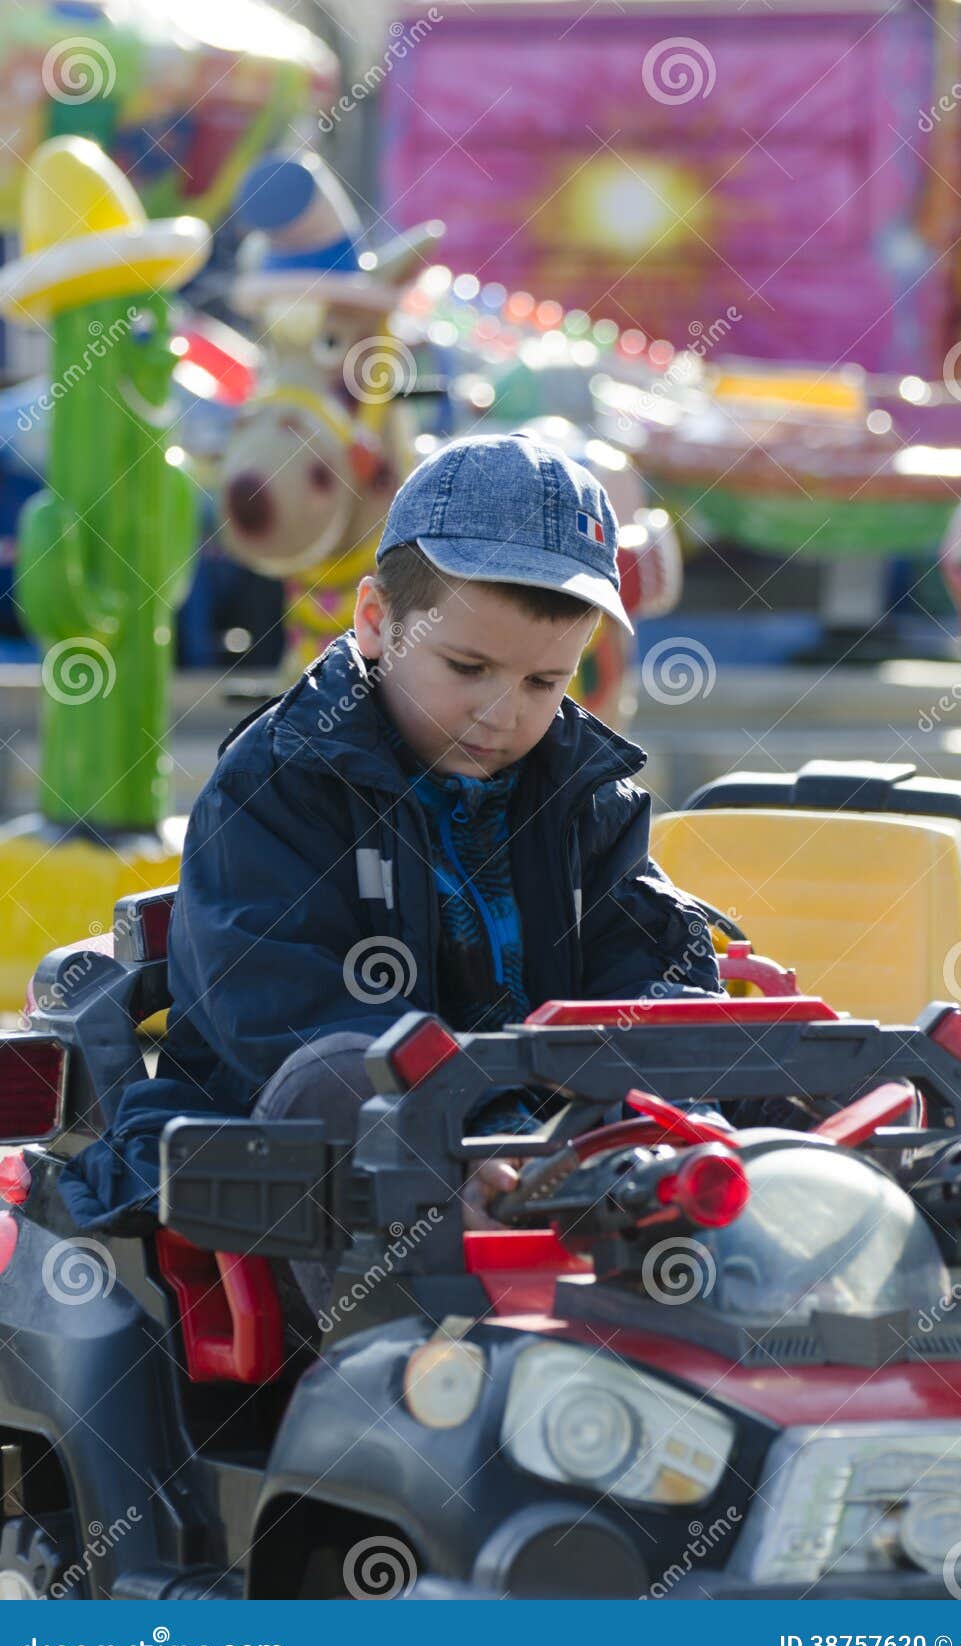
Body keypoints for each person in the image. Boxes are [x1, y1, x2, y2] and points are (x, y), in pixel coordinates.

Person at [58, 431, 721, 1340]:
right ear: (375, 620)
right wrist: (471, 1123)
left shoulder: (586, 794)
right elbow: (279, 1011)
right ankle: (433, 1369)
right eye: (468, 669)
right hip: (278, 1169)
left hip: (550, 1161)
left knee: (738, 1079)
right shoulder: (283, 775)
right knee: (350, 1075)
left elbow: (646, 973)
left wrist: (671, 1106)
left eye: (544, 681)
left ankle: (706, 1353)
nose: (503, 713)